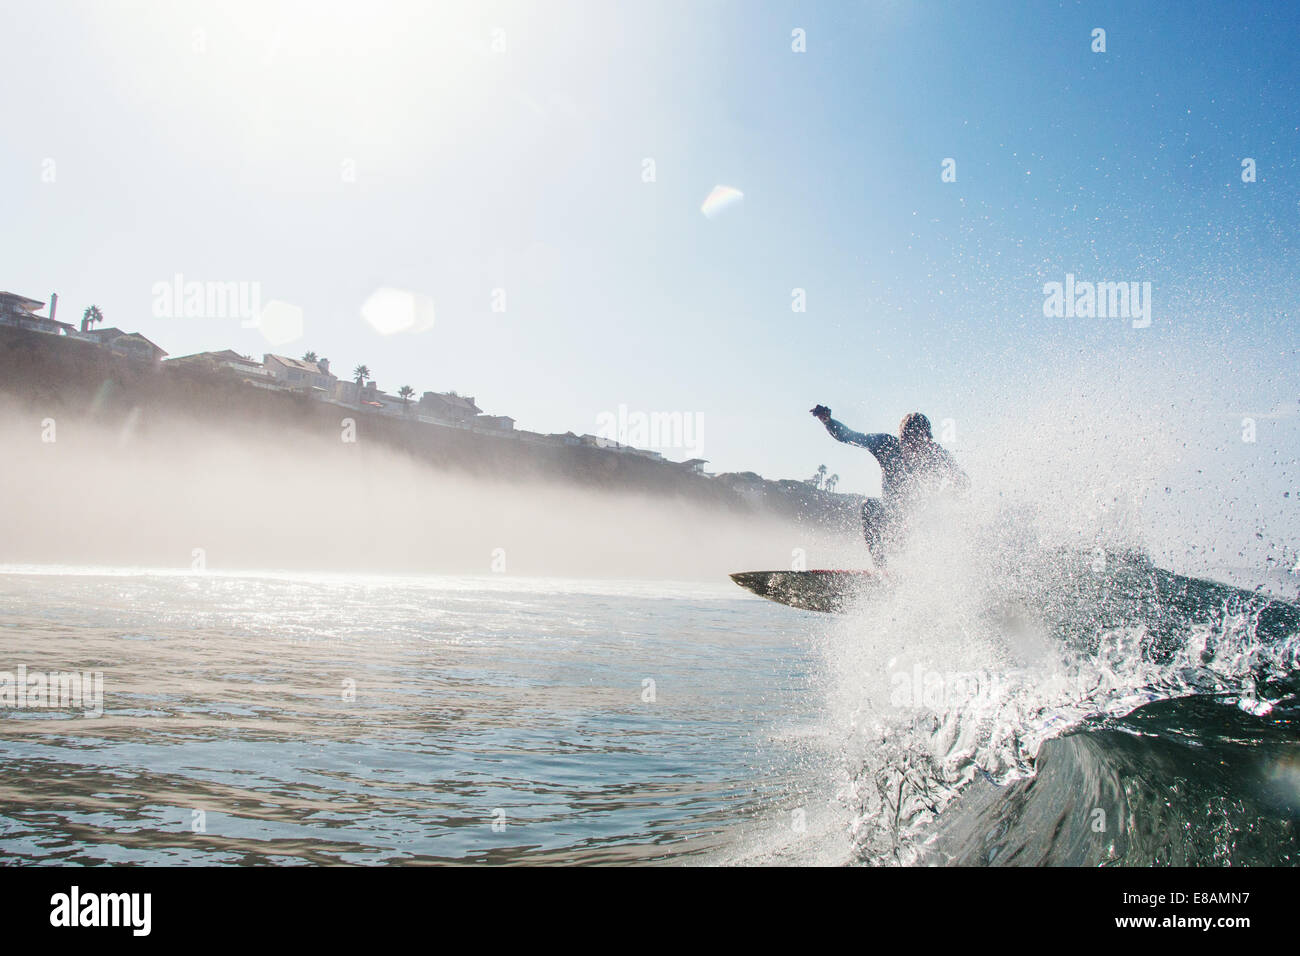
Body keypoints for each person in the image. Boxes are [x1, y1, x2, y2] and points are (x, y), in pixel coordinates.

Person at [810, 405, 968, 564]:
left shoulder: (937, 454)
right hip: (892, 525)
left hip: (924, 526)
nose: (913, 448)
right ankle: (882, 569)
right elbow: (849, 436)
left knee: (939, 514)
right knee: (869, 506)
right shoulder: (886, 445)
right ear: (901, 438)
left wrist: (943, 498)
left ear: (927, 438)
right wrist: (828, 422)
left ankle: (937, 564)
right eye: (909, 441)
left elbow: (963, 481)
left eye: (919, 441)